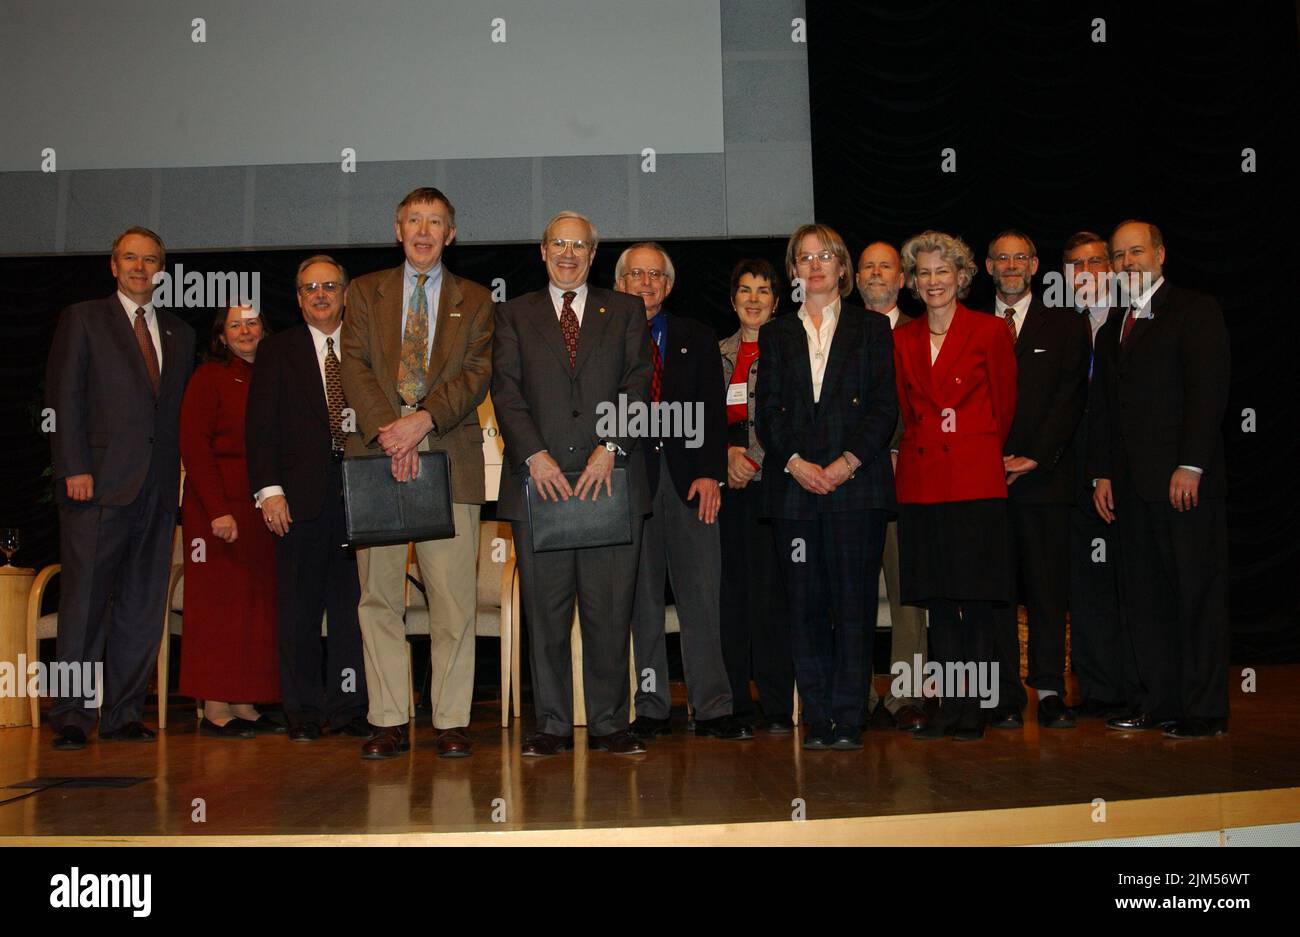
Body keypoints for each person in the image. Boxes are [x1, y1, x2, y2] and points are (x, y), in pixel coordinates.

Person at [491, 211, 653, 756]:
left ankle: (610, 723)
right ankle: (552, 724)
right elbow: (506, 392)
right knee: (547, 612)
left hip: (609, 482)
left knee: (609, 611)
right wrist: (534, 455)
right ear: (542, 252)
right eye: (558, 243)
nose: (568, 253)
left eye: (579, 245)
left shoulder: (626, 310)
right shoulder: (512, 314)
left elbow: (638, 384)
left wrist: (611, 448)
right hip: (541, 487)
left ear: (592, 253)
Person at [341, 187, 494, 760]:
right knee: (379, 597)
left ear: (451, 234)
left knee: (452, 600)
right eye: (414, 221)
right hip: (377, 453)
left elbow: (478, 373)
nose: (424, 231)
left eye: (436, 222)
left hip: (448, 453)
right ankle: (386, 718)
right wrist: (391, 428)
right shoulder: (364, 292)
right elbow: (351, 364)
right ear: (398, 228)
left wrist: (421, 422)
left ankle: (451, 719)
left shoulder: (476, 299)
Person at [44, 226, 196, 750]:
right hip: (96, 486)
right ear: (113, 265)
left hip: (155, 490)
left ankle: (124, 711)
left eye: (150, 260)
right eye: (130, 258)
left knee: (141, 604)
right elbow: (64, 398)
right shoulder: (83, 319)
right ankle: (70, 713)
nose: (139, 267)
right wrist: (73, 468)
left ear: (162, 270)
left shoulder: (179, 332)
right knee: (84, 604)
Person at [756, 223, 897, 751]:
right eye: (804, 258)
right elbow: (766, 413)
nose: (814, 266)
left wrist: (845, 464)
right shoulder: (775, 334)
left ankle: (849, 718)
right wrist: (795, 463)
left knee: (854, 606)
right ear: (794, 270)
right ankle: (818, 717)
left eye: (825, 257)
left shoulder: (872, 328)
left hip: (854, 490)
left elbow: (885, 409)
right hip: (794, 492)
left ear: (843, 267)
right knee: (804, 607)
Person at [1090, 220, 1230, 739]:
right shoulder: (1112, 330)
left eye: (1137, 252)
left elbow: (1208, 392)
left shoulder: (1195, 311)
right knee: (1144, 601)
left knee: (1195, 596)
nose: (1128, 263)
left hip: (1183, 487)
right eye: (1119, 255)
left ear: (1161, 254)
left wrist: (1191, 465)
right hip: (1130, 490)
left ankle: (1204, 710)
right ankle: (1158, 701)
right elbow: (1104, 411)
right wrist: (1101, 473)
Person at [615, 243, 745, 741]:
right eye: (635, 274)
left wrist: (712, 471)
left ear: (668, 286)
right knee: (640, 601)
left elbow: (714, 412)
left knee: (701, 597)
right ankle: (650, 706)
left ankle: (712, 707)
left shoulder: (697, 335)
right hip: (629, 483)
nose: (645, 282)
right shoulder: (604, 336)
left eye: (655, 275)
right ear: (620, 283)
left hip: (692, 482)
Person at [893, 230, 1017, 742]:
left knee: (977, 602)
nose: (933, 280)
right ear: (913, 284)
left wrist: (974, 447)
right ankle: (949, 706)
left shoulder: (990, 331)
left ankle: (977, 709)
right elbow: (903, 409)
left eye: (942, 271)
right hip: (922, 485)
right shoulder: (900, 338)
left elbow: (1005, 406)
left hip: (974, 479)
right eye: (923, 273)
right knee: (940, 605)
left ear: (962, 277)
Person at [245, 255, 370, 742]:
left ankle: (350, 709)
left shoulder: (365, 347)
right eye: (309, 288)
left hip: (361, 496)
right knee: (298, 612)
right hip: (297, 502)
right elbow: (261, 429)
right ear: (298, 298)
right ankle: (301, 713)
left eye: (329, 286)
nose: (320, 295)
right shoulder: (277, 351)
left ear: (345, 294)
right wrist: (269, 493)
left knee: (352, 611)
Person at [985, 230, 1091, 731]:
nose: (1010, 266)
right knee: (997, 592)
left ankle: (1048, 689)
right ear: (987, 267)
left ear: (1034, 265)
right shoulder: (969, 324)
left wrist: (1034, 456)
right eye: (1001, 258)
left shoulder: (1067, 325)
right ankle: (1004, 694)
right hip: (983, 480)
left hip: (1044, 480)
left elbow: (1071, 397)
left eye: (1019, 258)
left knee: (1049, 593)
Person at [179, 306, 282, 738]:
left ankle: (244, 702)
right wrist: (217, 509)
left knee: (255, 609)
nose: (245, 330)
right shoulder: (209, 377)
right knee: (217, 608)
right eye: (235, 325)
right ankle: (215, 707)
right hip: (216, 510)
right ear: (222, 336)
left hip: (261, 509)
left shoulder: (274, 377)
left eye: (253, 322)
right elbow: (194, 447)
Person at [718, 259, 796, 733]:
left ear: (776, 301)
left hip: (775, 487)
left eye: (763, 291)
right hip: (728, 491)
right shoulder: (715, 352)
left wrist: (755, 459)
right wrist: (728, 455)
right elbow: (704, 418)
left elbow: (791, 416)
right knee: (733, 597)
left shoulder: (792, 349)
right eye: (745, 290)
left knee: (773, 597)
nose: (753, 298)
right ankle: (734, 705)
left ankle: (775, 704)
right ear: (733, 300)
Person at [856, 241, 928, 731]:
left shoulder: (921, 333)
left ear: (902, 279)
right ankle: (855, 695)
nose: (876, 273)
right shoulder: (838, 330)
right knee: (851, 593)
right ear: (854, 277)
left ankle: (906, 698)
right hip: (853, 484)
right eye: (867, 266)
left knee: (908, 596)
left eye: (886, 266)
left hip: (909, 485)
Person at [1061, 231, 1126, 718]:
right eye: (1077, 265)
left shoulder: (1135, 318)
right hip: (1070, 476)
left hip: (1125, 473)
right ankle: (1098, 690)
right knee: (1084, 585)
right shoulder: (1059, 324)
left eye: (1096, 262)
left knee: (1130, 583)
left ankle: (1140, 685)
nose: (1087, 273)